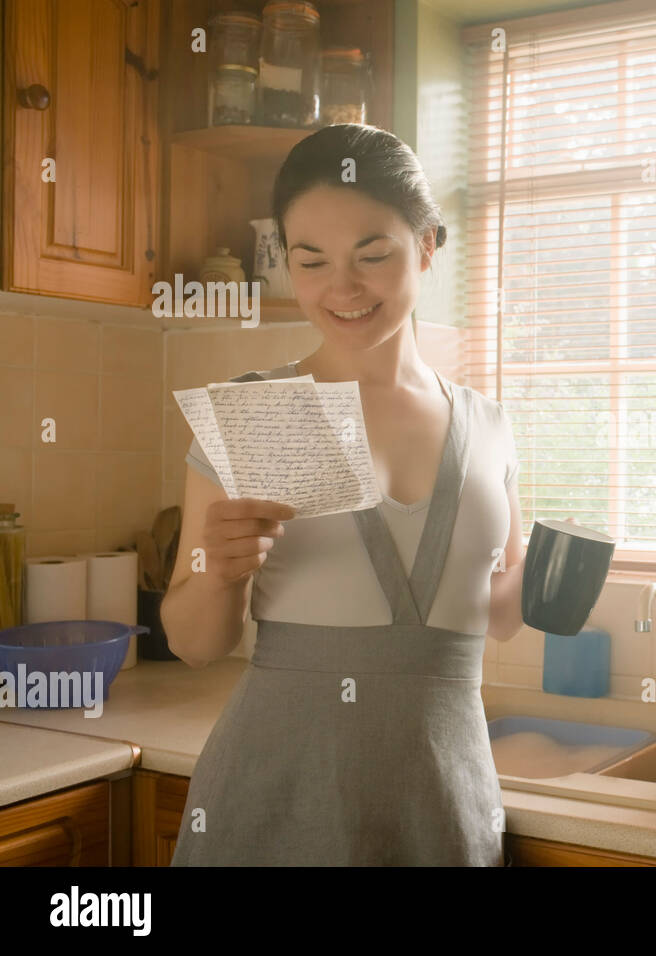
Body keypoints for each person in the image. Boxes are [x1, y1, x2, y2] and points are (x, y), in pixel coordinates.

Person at [160, 124, 526, 866]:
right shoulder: (257, 413)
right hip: (273, 798)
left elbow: (502, 615)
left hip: (442, 801)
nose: (342, 288)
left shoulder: (488, 426)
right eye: (311, 260)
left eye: (373, 254)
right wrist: (217, 572)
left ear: (427, 246)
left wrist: (560, 575)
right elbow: (194, 646)